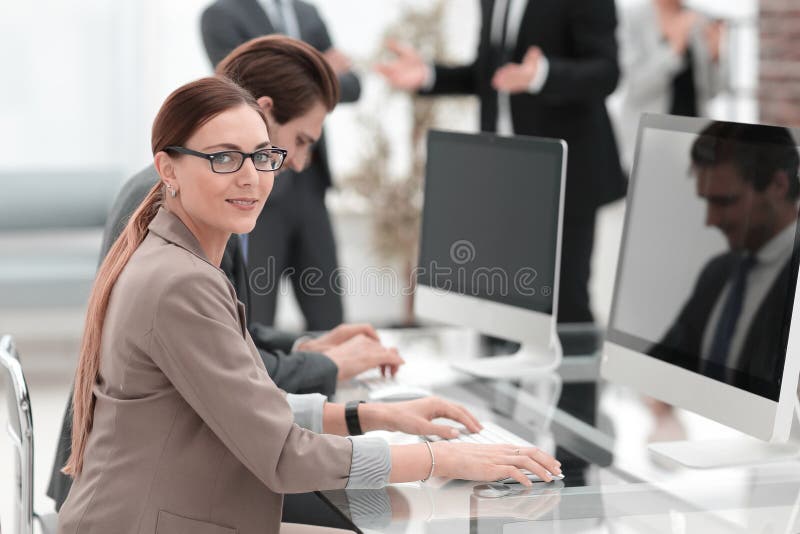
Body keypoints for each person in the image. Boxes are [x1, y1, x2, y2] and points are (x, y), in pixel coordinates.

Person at [56, 75, 562, 534]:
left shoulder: (178, 258)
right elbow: (283, 455)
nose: (251, 177)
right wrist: (441, 460)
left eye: (262, 156)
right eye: (224, 158)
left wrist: (375, 415)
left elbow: (252, 411)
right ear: (168, 168)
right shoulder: (181, 283)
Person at [48, 36, 402, 513]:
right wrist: (428, 453)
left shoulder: (198, 204)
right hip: (143, 483)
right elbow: (224, 366)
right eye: (300, 141)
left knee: (364, 497)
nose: (299, 162)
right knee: (373, 503)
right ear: (265, 110)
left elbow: (226, 341)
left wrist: (310, 349)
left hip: (171, 464)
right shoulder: (179, 220)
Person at [376, 0, 626, 327]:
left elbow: (607, 72)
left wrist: (544, 75)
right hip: (504, 170)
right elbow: (490, 75)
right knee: (503, 302)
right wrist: (431, 75)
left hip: (566, 173)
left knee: (565, 303)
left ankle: (573, 364)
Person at [201, 0, 360, 330]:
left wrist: (314, 78)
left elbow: (352, 86)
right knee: (254, 317)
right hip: (259, 190)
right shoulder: (222, 15)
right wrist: (323, 69)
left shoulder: (307, 13)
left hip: (312, 186)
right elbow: (240, 91)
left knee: (331, 319)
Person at [654, 122, 799, 388]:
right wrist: (655, 392)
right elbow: (662, 362)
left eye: (724, 201)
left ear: (778, 185)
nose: (710, 220)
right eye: (707, 201)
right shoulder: (718, 272)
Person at [616, 0, 725, 169]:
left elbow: (713, 91)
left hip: (693, 140)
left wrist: (716, 56)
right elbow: (634, 86)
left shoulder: (700, 19)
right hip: (649, 142)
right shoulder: (632, 18)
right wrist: (674, 50)